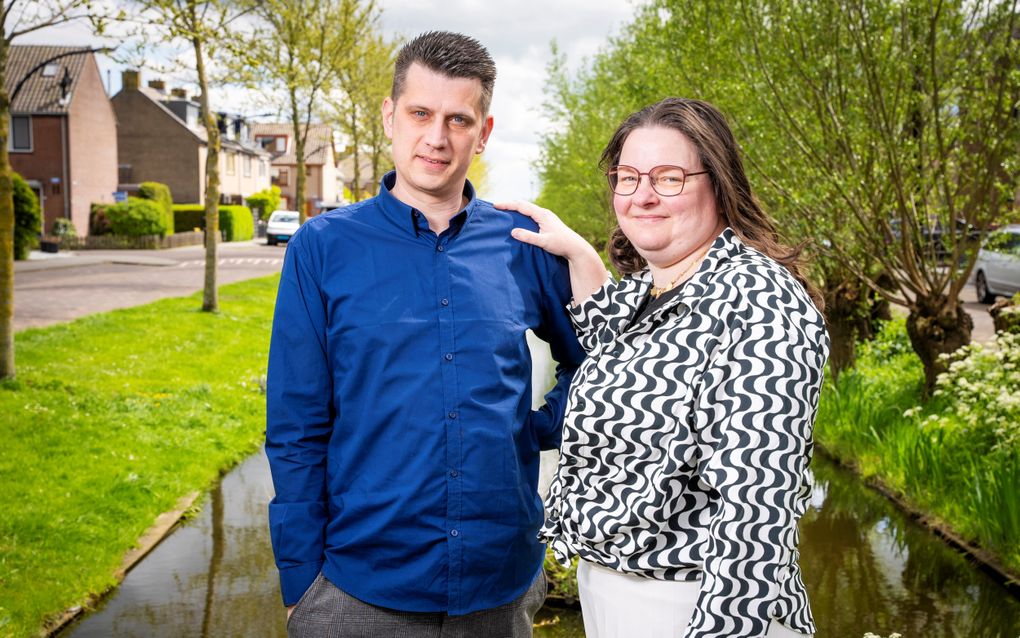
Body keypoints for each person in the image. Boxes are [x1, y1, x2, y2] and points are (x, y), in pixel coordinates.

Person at [265, 31, 586, 637]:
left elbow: (597, 363)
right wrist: (300, 578)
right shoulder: (322, 247)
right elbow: (295, 425)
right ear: (390, 116)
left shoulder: (525, 245)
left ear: (483, 132)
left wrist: (538, 424)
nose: (436, 137)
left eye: (457, 119)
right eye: (420, 113)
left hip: (499, 585)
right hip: (356, 593)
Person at [499, 97, 829, 638]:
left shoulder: (760, 302)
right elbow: (625, 367)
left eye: (669, 178)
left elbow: (757, 520)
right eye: (627, 178)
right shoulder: (654, 291)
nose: (643, 196)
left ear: (718, 184)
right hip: (618, 597)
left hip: (695, 605)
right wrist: (582, 257)